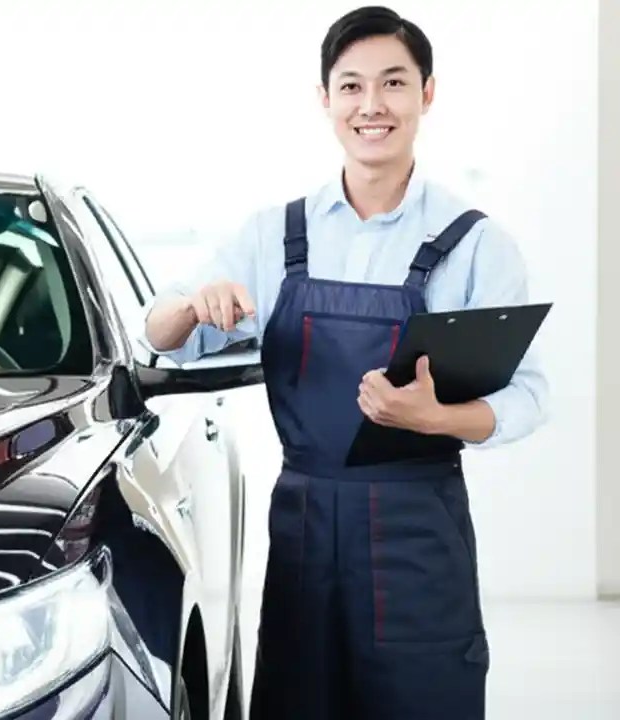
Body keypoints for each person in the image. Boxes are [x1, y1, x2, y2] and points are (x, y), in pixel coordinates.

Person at [140, 6, 549, 720]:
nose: (372, 106)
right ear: (325, 99)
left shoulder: (477, 245)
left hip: (419, 526)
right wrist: (192, 304)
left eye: (393, 83)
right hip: (304, 523)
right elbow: (159, 330)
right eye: (352, 86)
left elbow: (530, 397)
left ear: (427, 93)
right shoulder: (274, 236)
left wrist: (437, 418)